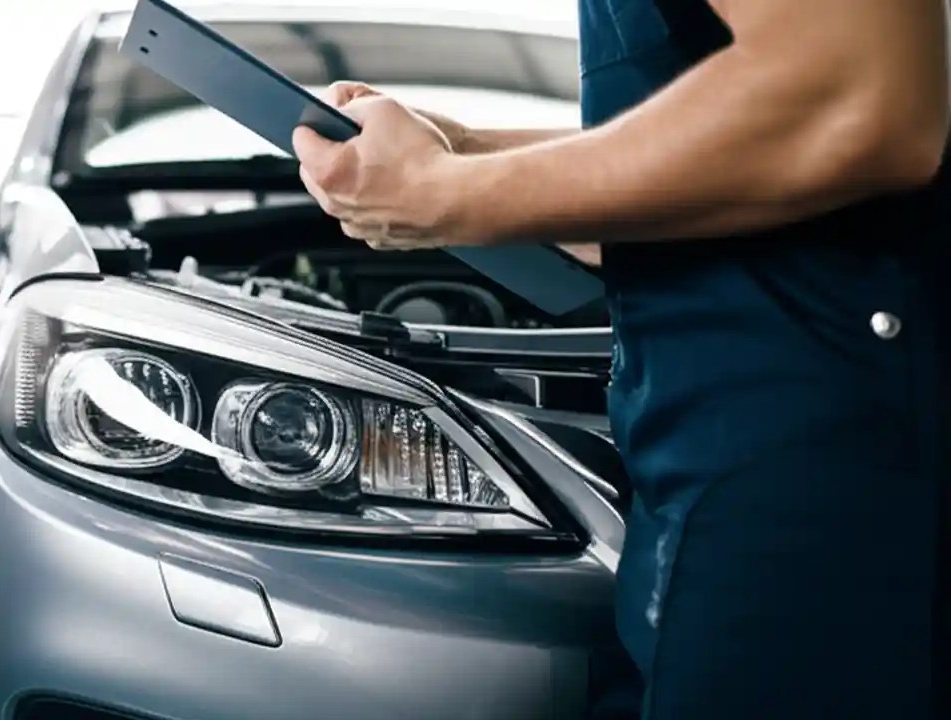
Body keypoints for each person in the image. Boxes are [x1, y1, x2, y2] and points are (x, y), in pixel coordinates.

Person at [292, 1, 950, 718]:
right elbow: (693, 186)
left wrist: (438, 192)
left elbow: (852, 95)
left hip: (821, 477)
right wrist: (464, 151)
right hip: (709, 474)